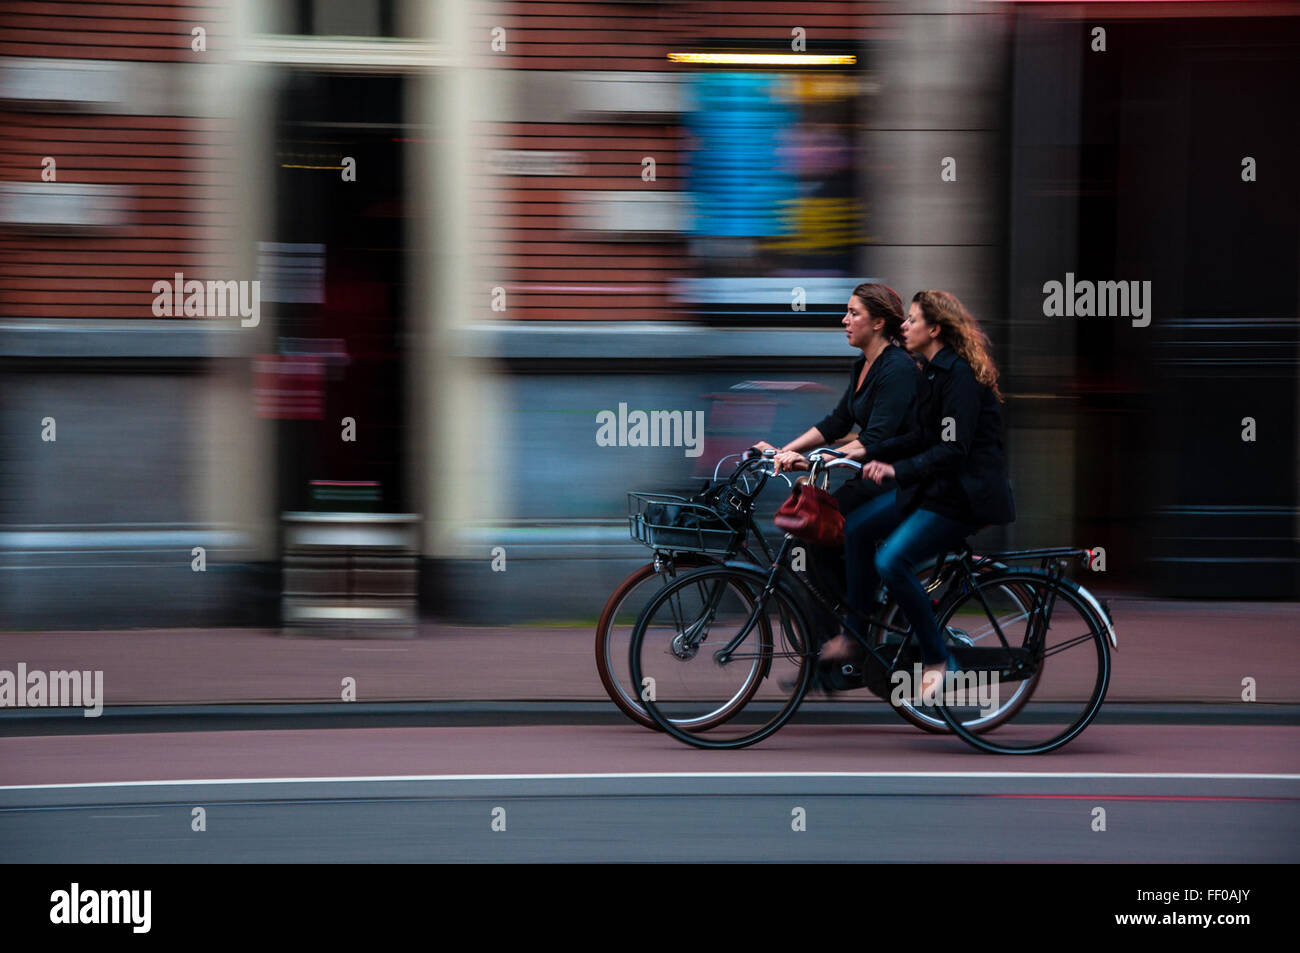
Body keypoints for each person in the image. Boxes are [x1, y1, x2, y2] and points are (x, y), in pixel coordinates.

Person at [824, 289, 1015, 704]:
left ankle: (939, 660)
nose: (904, 326)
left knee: (891, 560)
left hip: (963, 498)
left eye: (912, 320)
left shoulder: (959, 375)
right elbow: (920, 435)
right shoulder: (929, 371)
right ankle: (855, 636)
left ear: (935, 329)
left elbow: (953, 448)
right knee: (855, 529)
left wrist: (896, 469)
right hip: (934, 490)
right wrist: (868, 451)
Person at [752, 282, 918, 684]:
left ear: (878, 322)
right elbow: (837, 423)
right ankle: (835, 654)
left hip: (898, 482)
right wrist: (783, 452)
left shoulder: (896, 368)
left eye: (854, 313)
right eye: (846, 312)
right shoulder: (862, 366)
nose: (844, 320)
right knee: (811, 542)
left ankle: (855, 634)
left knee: (822, 535)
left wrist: (819, 458)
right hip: (867, 478)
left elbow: (875, 439)